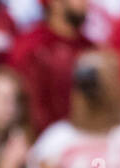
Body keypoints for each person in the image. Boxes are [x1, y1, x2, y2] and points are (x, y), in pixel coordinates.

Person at [9, 0, 94, 135]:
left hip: (88, 142)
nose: (86, 3)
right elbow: (28, 110)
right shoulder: (31, 48)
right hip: (44, 146)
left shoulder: (91, 49)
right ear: (55, 3)